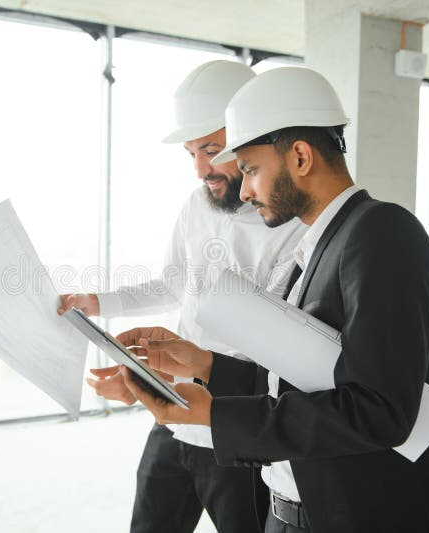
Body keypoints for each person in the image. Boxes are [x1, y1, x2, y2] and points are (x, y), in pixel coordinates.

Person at [116, 67, 429, 533]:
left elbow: (380, 410)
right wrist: (206, 364)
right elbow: (310, 381)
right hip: (292, 509)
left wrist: (215, 413)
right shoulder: (318, 248)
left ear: (300, 157)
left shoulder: (382, 233)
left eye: (250, 169)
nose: (245, 189)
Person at [58, 60, 307, 533]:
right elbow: (175, 283)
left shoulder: (292, 229)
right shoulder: (198, 206)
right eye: (191, 153)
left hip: (235, 427)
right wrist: (98, 302)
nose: (199, 169)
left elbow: (271, 350)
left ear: (250, 138)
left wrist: (149, 373)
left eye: (212, 150)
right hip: (173, 417)